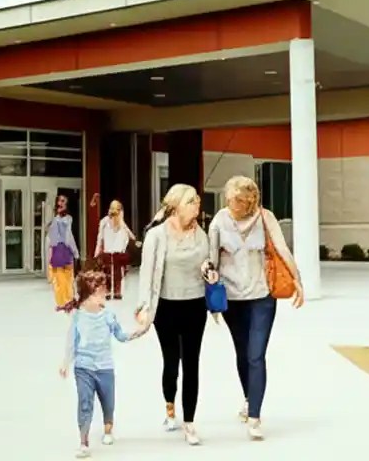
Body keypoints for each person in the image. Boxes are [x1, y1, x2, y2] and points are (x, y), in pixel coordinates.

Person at [207, 175, 305, 441]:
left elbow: (282, 249)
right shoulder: (219, 220)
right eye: (229, 199)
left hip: (262, 295)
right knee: (242, 352)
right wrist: (210, 290)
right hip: (232, 298)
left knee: (256, 355)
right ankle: (249, 398)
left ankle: (255, 417)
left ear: (249, 201)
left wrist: (297, 280)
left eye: (238, 200)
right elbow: (211, 259)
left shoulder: (265, 217)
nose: (232, 204)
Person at [134, 183, 216, 446]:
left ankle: (189, 422)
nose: (197, 205)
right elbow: (146, 273)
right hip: (166, 307)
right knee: (172, 362)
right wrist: (143, 307)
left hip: (195, 304)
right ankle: (170, 405)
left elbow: (207, 263)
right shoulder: (157, 235)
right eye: (191, 201)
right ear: (177, 205)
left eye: (197, 201)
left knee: (191, 362)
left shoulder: (200, 234)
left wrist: (210, 272)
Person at [59, 270, 150, 458]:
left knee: (108, 403)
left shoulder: (108, 315)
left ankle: (108, 430)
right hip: (83, 366)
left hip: (105, 366)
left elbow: (120, 335)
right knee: (85, 402)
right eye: (101, 291)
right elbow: (71, 341)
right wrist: (66, 362)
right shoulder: (77, 316)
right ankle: (83, 441)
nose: (105, 294)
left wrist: (138, 332)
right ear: (90, 293)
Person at [95, 200, 140, 300]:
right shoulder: (107, 221)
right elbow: (100, 236)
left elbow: (128, 232)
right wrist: (98, 250)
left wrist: (135, 241)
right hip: (112, 250)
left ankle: (113, 291)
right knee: (111, 272)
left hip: (114, 250)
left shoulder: (118, 221)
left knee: (114, 272)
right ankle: (111, 291)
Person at [47, 195, 81, 312]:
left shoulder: (58, 220)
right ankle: (66, 301)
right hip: (62, 250)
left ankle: (64, 301)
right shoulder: (65, 220)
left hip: (61, 251)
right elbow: (67, 238)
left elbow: (64, 238)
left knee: (64, 278)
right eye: (59, 201)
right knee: (64, 278)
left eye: (62, 201)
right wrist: (76, 252)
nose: (60, 203)